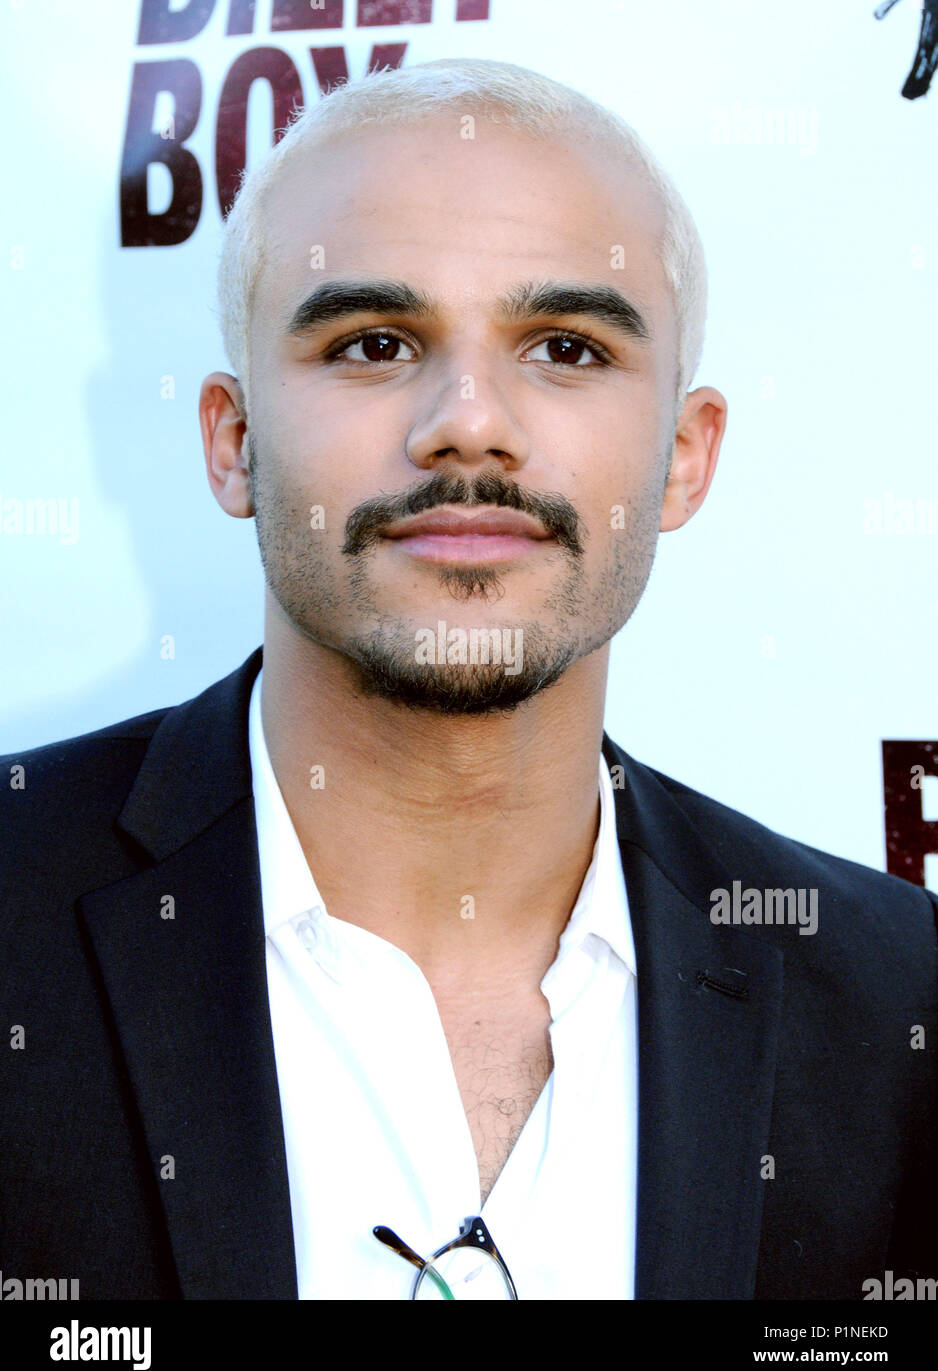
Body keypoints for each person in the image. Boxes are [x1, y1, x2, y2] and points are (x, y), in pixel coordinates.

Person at [2, 57, 935, 1302]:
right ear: (232, 443)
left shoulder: (893, 999)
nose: (467, 420)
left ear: (683, 457)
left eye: (563, 346)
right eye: (375, 341)